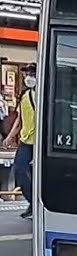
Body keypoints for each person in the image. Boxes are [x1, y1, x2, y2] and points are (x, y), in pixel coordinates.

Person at [2, 65, 35, 218]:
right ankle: (32, 201)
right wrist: (10, 137)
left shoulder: (43, 95)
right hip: (25, 140)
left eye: (31, 73)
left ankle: (36, 203)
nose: (28, 77)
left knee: (36, 174)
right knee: (19, 169)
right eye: (27, 74)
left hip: (39, 142)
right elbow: (20, 119)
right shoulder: (25, 95)